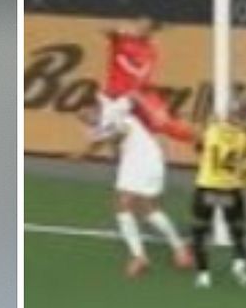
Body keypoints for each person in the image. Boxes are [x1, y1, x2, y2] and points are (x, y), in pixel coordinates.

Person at [77, 97, 192, 277]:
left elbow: (121, 130)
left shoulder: (113, 111)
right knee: (122, 205)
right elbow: (104, 141)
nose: (85, 120)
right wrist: (85, 153)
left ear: (95, 108)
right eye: (81, 118)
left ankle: (179, 247)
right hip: (130, 163)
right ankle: (140, 257)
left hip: (148, 159)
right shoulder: (94, 130)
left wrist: (91, 148)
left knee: (148, 209)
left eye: (86, 114)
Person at [190, 102, 246, 288]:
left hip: (207, 187)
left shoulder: (211, 130)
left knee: (200, 231)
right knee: (237, 229)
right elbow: (243, 156)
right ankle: (240, 266)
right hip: (230, 190)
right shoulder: (245, 137)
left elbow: (198, 147)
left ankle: (203, 275)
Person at [102, 16, 195, 144]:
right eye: (139, 25)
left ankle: (201, 141)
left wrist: (140, 97)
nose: (140, 29)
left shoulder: (150, 50)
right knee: (113, 131)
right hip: (116, 95)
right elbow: (105, 30)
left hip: (137, 95)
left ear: (151, 31)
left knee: (162, 123)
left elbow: (142, 76)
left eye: (146, 27)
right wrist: (121, 30)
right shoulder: (121, 39)